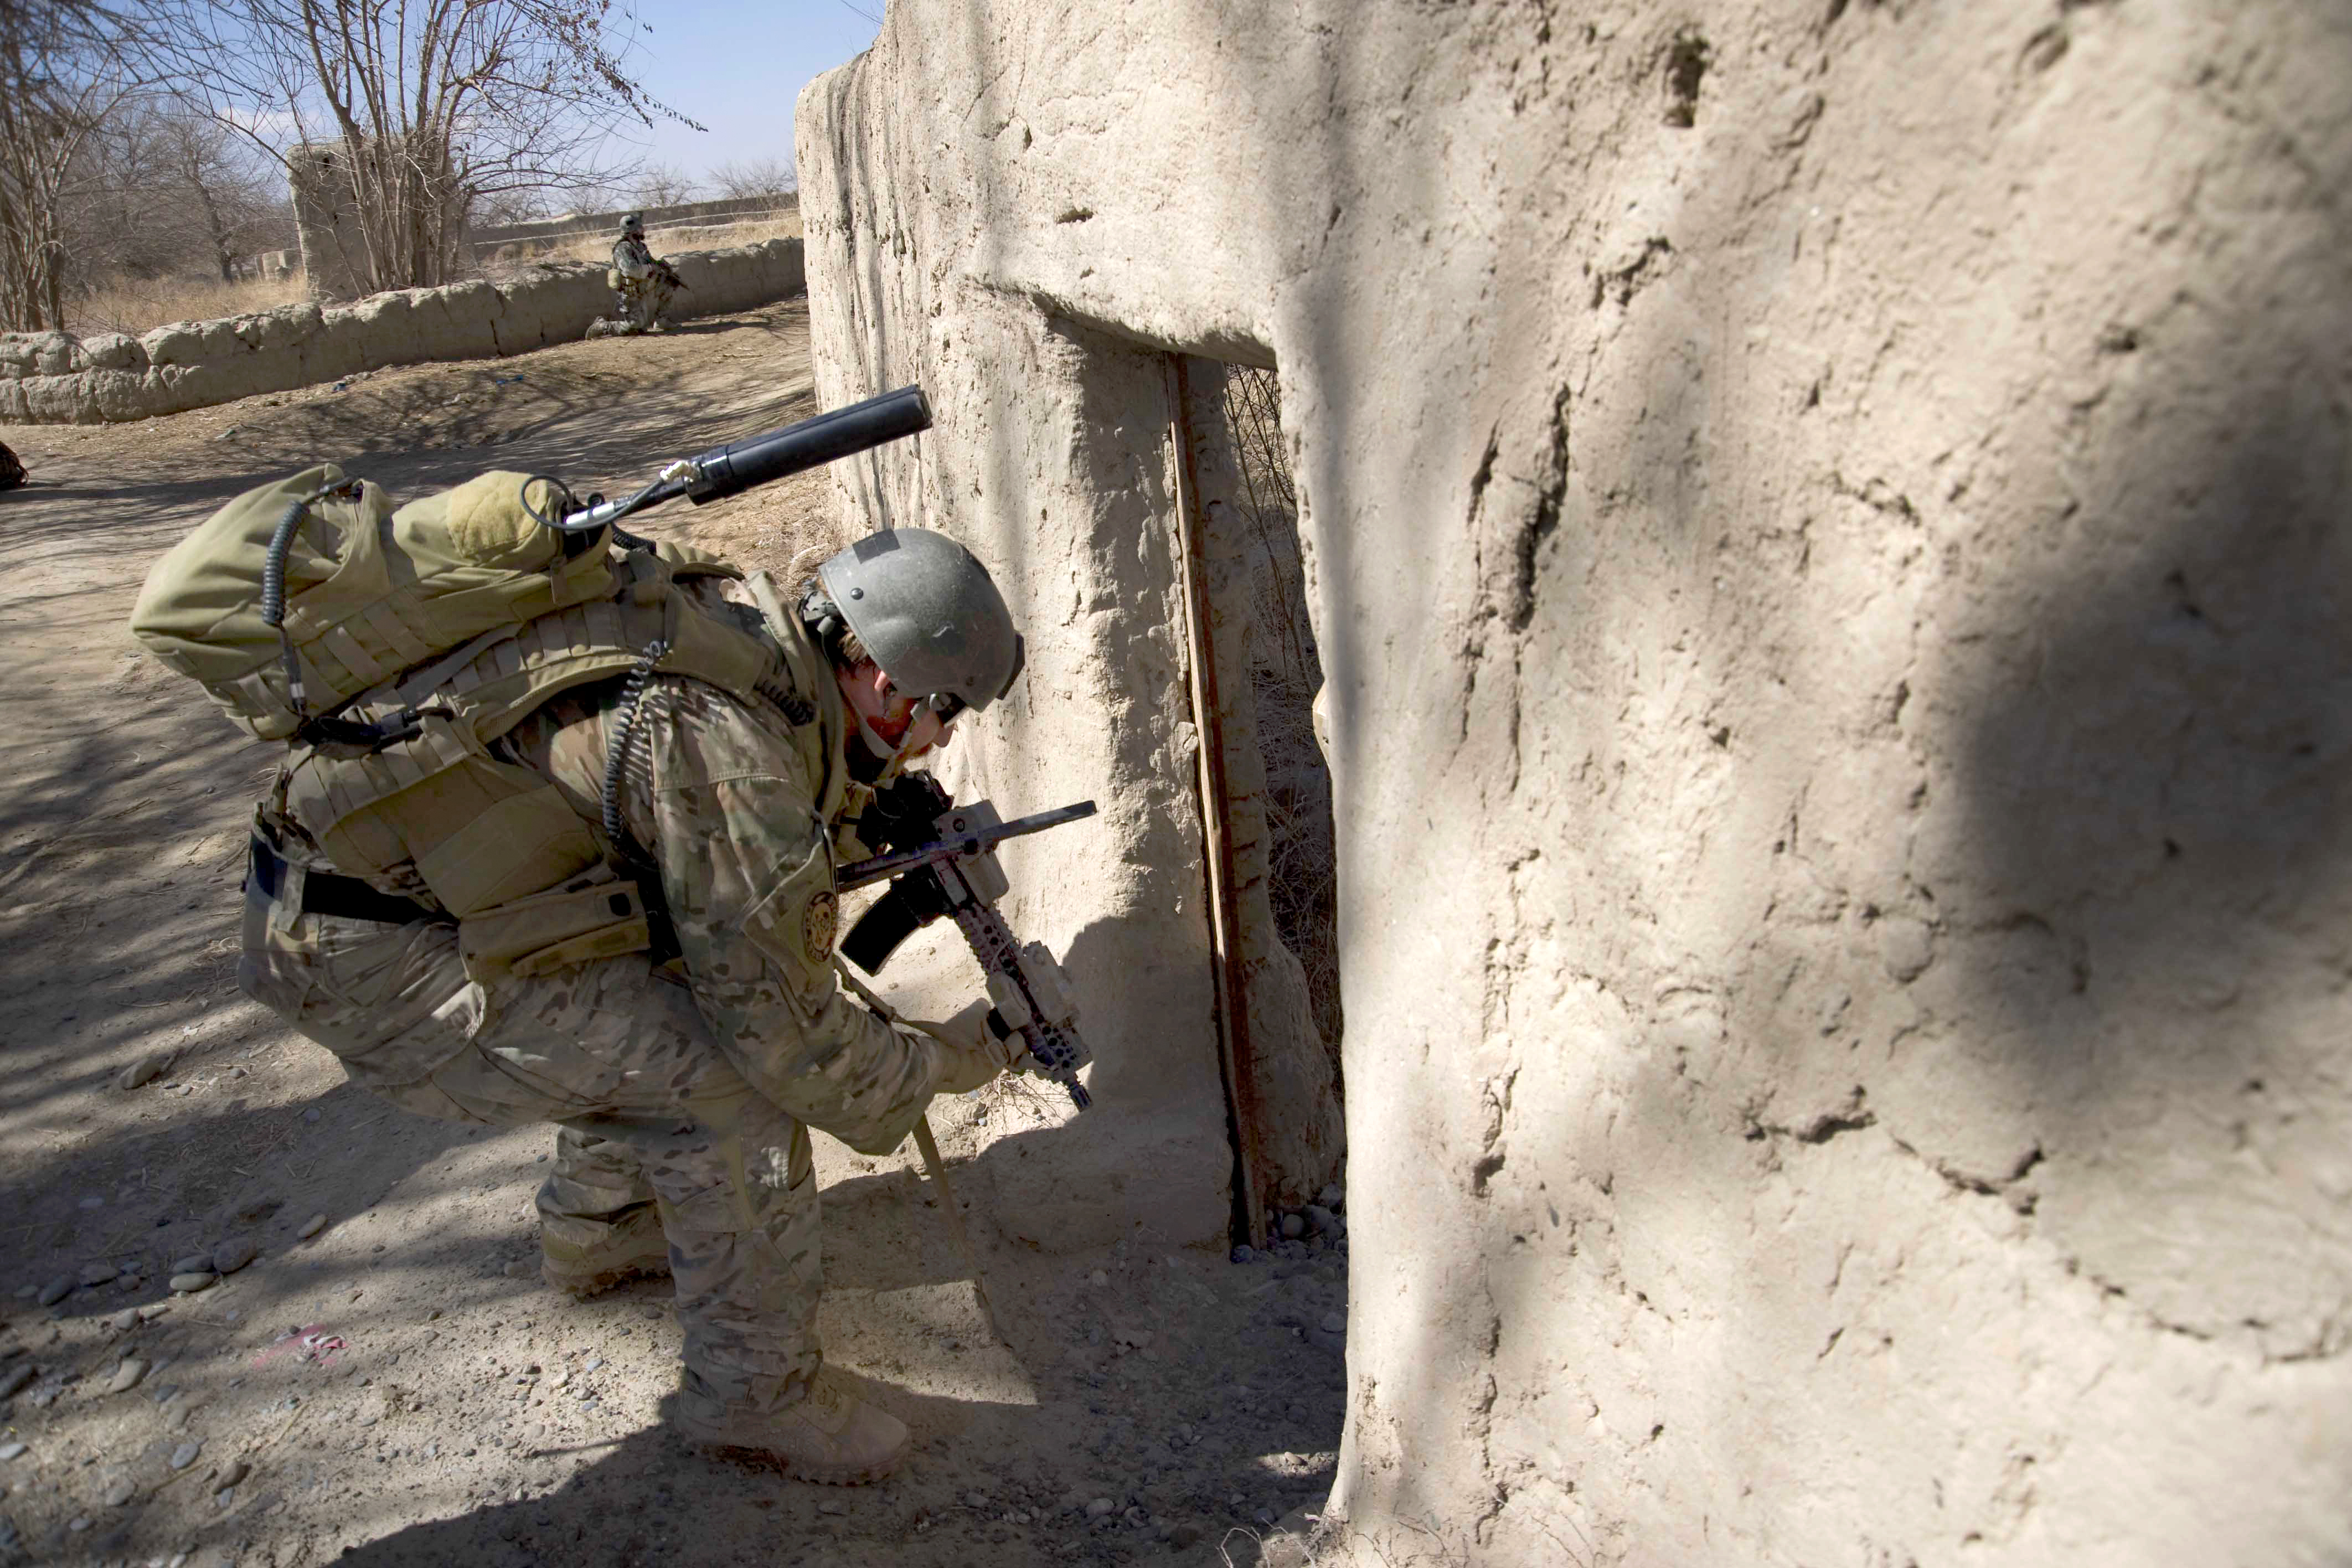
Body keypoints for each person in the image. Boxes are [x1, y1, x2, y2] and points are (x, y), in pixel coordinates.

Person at [235, 488, 1024, 1484]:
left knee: (655, 993)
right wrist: (961, 1058)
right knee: (730, 1084)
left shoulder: (733, 632)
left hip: (346, 895)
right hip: (362, 961)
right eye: (941, 708)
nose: (940, 738)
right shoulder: (731, 753)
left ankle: (602, 1230)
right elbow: (799, 1049)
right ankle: (755, 1397)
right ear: (877, 671)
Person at [606, 212, 681, 334]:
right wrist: (650, 268)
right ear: (632, 231)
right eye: (640, 228)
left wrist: (660, 266)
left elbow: (650, 262)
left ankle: (662, 320)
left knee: (670, 283)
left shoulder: (640, 246)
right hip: (631, 291)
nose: (643, 230)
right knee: (635, 327)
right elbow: (631, 270)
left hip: (644, 285)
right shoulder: (622, 248)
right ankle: (603, 326)